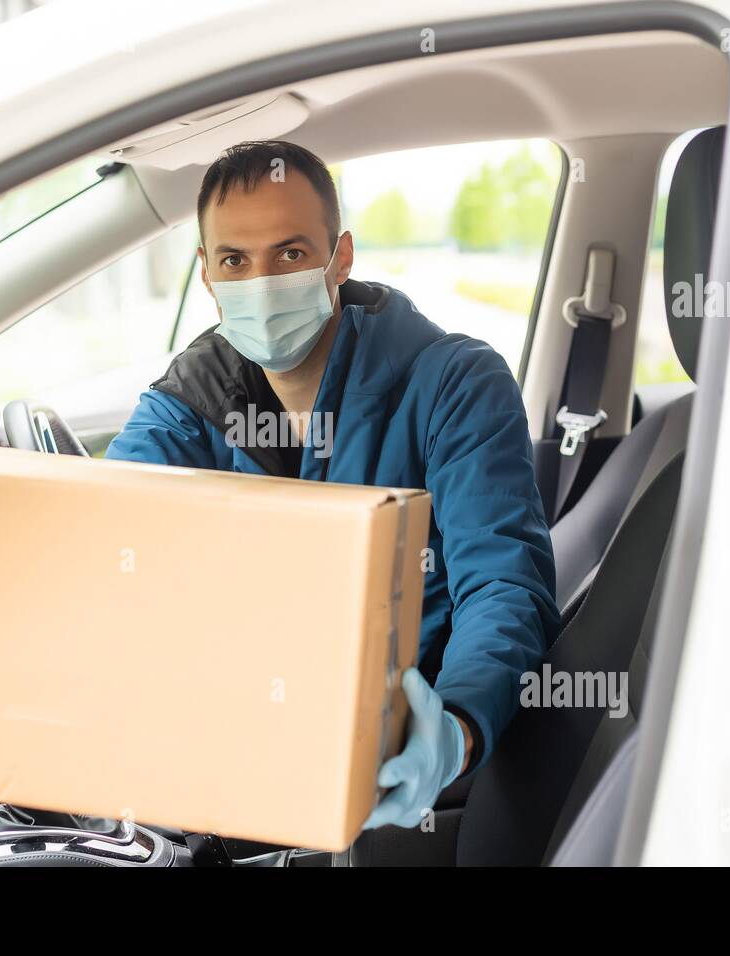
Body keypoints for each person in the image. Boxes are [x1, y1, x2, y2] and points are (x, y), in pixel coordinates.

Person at [106, 140, 558, 830]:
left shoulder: (452, 384)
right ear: (206, 273)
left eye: (289, 254)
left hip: (393, 777)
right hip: (231, 760)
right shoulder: (190, 402)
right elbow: (98, 543)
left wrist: (454, 727)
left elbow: (503, 585)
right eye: (235, 260)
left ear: (340, 257)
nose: (261, 283)